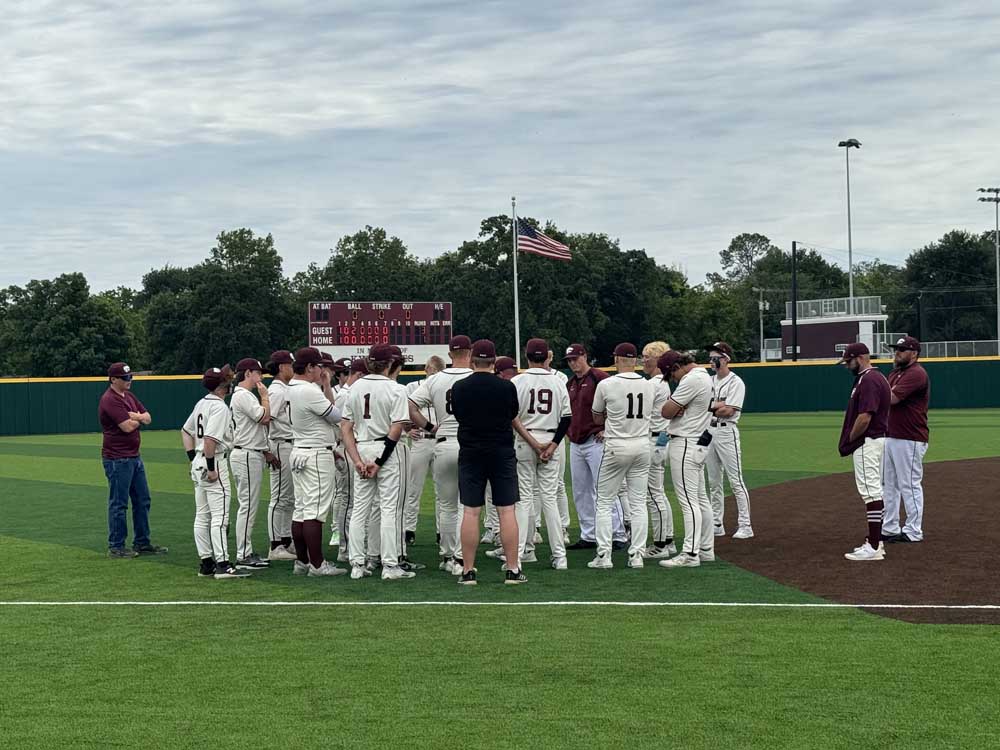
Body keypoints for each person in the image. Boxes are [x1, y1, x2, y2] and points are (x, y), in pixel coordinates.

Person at [450, 339, 529, 585]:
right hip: (501, 451)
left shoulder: (460, 387)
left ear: (473, 360)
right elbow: (511, 415)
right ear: (494, 361)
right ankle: (513, 569)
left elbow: (459, 415)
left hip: (471, 451)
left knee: (471, 512)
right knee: (506, 510)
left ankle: (468, 570)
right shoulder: (506, 387)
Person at [341, 344, 414, 581]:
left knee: (360, 509)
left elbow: (345, 428)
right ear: (390, 364)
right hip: (385, 449)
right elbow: (396, 429)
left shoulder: (353, 388)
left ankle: (357, 564)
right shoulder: (396, 389)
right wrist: (380, 461)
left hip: (362, 446)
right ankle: (390, 565)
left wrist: (357, 460)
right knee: (388, 509)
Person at [588, 343, 660, 569]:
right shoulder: (650, 385)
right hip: (641, 444)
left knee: (604, 501)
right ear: (636, 361)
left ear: (617, 359)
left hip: (617, 444)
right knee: (638, 503)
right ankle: (637, 555)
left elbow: (597, 418)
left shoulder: (606, 384)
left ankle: (604, 556)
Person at [408, 335, 474, 574]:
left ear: (449, 355)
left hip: (443, 441)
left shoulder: (435, 379)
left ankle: (448, 557)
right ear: (470, 352)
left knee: (447, 505)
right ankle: (459, 558)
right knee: (467, 505)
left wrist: (428, 427)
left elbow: (410, 406)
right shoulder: (474, 376)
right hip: (470, 443)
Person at [181, 365, 248, 579]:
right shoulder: (219, 407)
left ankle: (206, 563)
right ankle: (222, 564)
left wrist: (194, 460)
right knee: (219, 516)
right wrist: (211, 468)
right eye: (226, 381)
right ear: (222, 386)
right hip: (213, 462)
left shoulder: (201, 403)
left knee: (202, 516)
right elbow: (210, 440)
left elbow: (186, 431)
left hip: (199, 462)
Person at [512, 338, 572, 569]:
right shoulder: (558, 381)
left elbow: (512, 417)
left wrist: (533, 443)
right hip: (551, 440)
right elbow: (567, 418)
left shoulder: (517, 381)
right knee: (550, 500)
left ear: (527, 356)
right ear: (546, 356)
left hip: (526, 441)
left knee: (524, 500)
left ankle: (518, 555)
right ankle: (560, 557)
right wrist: (553, 445)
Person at [286, 347, 346, 576]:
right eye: (319, 366)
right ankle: (318, 565)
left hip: (300, 449)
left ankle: (301, 562)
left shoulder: (291, 387)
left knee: (300, 510)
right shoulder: (309, 390)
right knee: (315, 512)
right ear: (309, 367)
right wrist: (327, 386)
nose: (322, 370)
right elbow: (336, 415)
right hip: (315, 453)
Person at [98, 362, 166, 558]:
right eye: (125, 378)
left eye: (130, 377)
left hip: (134, 457)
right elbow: (127, 427)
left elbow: (148, 417)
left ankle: (142, 543)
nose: (129, 381)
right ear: (113, 379)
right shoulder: (110, 399)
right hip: (118, 459)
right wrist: (139, 419)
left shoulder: (128, 396)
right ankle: (116, 546)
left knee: (142, 500)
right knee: (119, 503)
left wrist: (136, 416)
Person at [564, 343, 628, 550]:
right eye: (570, 360)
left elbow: (618, 405)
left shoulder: (599, 377)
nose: (573, 363)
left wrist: (607, 428)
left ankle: (618, 534)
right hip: (576, 441)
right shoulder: (571, 383)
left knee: (604, 488)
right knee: (581, 491)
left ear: (584, 356)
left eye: (575, 358)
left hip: (596, 440)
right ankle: (589, 534)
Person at [657, 350, 715, 569]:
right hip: (698, 441)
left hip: (686, 442)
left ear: (675, 367)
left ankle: (691, 553)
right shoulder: (705, 375)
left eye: (671, 375)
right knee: (701, 499)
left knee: (689, 501)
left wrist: (677, 407)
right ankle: (706, 549)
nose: (673, 380)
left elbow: (666, 411)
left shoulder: (691, 379)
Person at [837, 342, 892, 562]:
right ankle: (874, 542)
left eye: (848, 361)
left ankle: (874, 546)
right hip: (875, 440)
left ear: (859, 358)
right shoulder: (875, 377)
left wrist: (851, 438)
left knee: (871, 491)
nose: (846, 365)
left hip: (867, 442)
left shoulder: (869, 379)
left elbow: (865, 416)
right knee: (874, 490)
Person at [881, 336, 931, 543]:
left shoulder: (917, 374)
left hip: (909, 437)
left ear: (914, 353)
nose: (897, 352)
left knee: (909, 484)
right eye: (896, 349)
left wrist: (870, 392)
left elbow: (891, 398)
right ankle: (890, 527)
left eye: (902, 349)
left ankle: (913, 531)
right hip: (891, 435)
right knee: (888, 484)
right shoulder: (895, 373)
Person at [704, 341, 753, 540]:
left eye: (714, 356)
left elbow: (728, 411)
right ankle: (717, 523)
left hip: (727, 431)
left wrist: (713, 406)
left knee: (736, 480)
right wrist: (717, 405)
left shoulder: (736, 382)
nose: (710, 360)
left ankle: (745, 525)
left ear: (725, 359)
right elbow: (704, 406)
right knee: (713, 481)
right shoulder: (709, 380)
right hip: (707, 431)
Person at [229, 357, 274, 569]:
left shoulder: (243, 395)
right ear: (248, 373)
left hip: (250, 453)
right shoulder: (243, 395)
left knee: (249, 505)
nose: (261, 376)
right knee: (247, 506)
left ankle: (245, 551)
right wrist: (265, 397)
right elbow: (263, 418)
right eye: (258, 373)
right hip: (246, 454)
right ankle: (243, 554)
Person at [639, 341, 676, 559]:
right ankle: (668, 540)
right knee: (658, 493)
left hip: (653, 440)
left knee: (653, 495)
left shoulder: (654, 383)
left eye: (647, 356)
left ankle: (660, 545)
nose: (643, 360)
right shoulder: (660, 383)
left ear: (657, 359)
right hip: (660, 439)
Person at [404, 355, 445, 546]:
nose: (433, 373)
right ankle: (408, 529)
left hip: (439, 440)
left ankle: (441, 531)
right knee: (413, 488)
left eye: (437, 370)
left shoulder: (444, 387)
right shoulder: (413, 386)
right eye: (431, 370)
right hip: (421, 439)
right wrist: (406, 429)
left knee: (442, 489)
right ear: (426, 369)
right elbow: (402, 410)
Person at [331, 357, 368, 559]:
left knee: (352, 499)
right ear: (360, 374)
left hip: (352, 447)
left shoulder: (350, 392)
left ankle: (351, 545)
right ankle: (344, 548)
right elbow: (342, 428)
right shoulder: (346, 394)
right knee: (347, 498)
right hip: (347, 448)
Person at [265, 350, 297, 561]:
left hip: (289, 444)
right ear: (281, 367)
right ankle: (275, 545)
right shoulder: (276, 391)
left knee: (288, 498)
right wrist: (267, 450)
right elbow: (266, 420)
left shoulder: (286, 388)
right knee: (279, 497)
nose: (293, 367)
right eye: (290, 364)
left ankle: (285, 540)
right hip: (279, 445)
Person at [543, 349, 571, 546]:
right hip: (542, 434)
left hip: (555, 435)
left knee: (558, 484)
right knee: (533, 491)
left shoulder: (560, 377)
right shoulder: (525, 377)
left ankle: (564, 527)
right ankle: (534, 529)